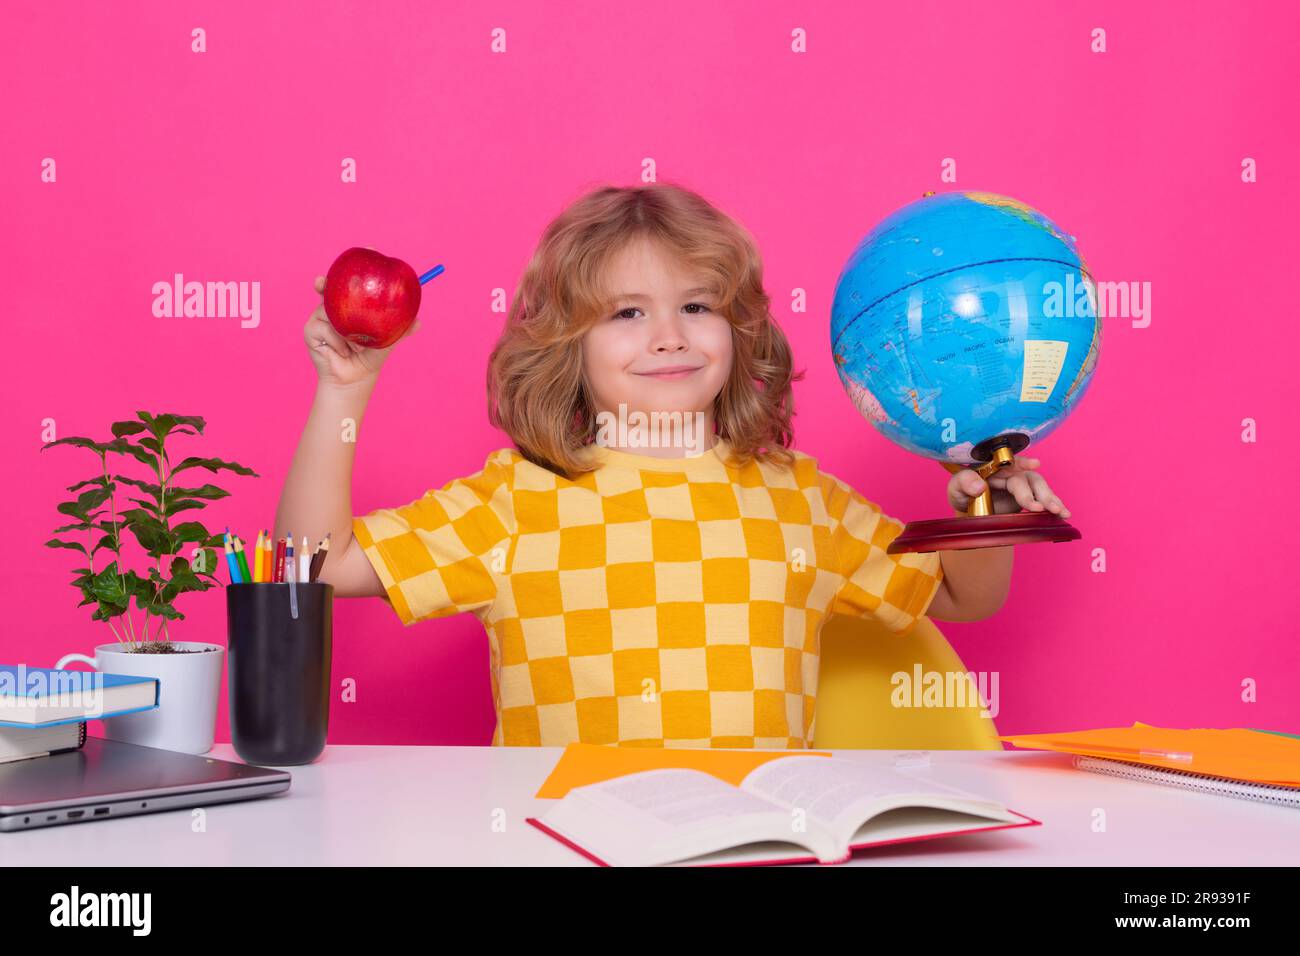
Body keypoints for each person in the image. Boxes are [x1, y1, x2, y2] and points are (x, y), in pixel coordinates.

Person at [275, 182, 1069, 748]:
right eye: (626, 313)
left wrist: (987, 504)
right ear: (567, 349)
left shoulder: (801, 500)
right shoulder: (517, 500)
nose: (669, 336)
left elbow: (966, 596)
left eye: (696, 305)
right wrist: (345, 390)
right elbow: (313, 566)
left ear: (739, 329)